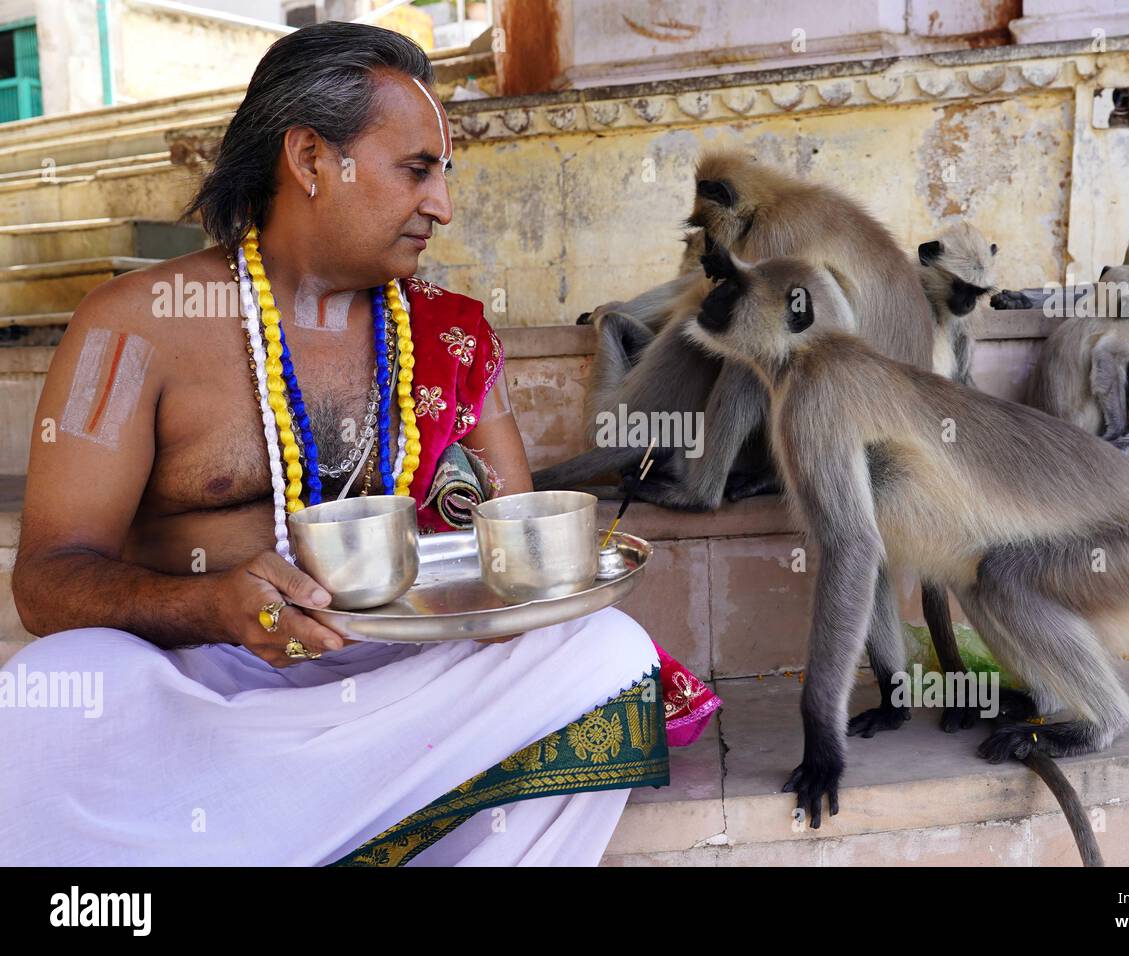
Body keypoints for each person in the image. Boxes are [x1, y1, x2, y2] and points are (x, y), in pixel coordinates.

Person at [0, 21, 715, 867]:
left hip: (396, 682)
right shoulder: (129, 328)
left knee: (607, 657)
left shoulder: (447, 339)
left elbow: (517, 558)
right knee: (45, 703)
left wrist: (524, 585)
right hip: (209, 684)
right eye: (417, 170)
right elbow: (46, 583)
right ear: (309, 160)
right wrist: (208, 603)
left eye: (443, 175)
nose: (441, 205)